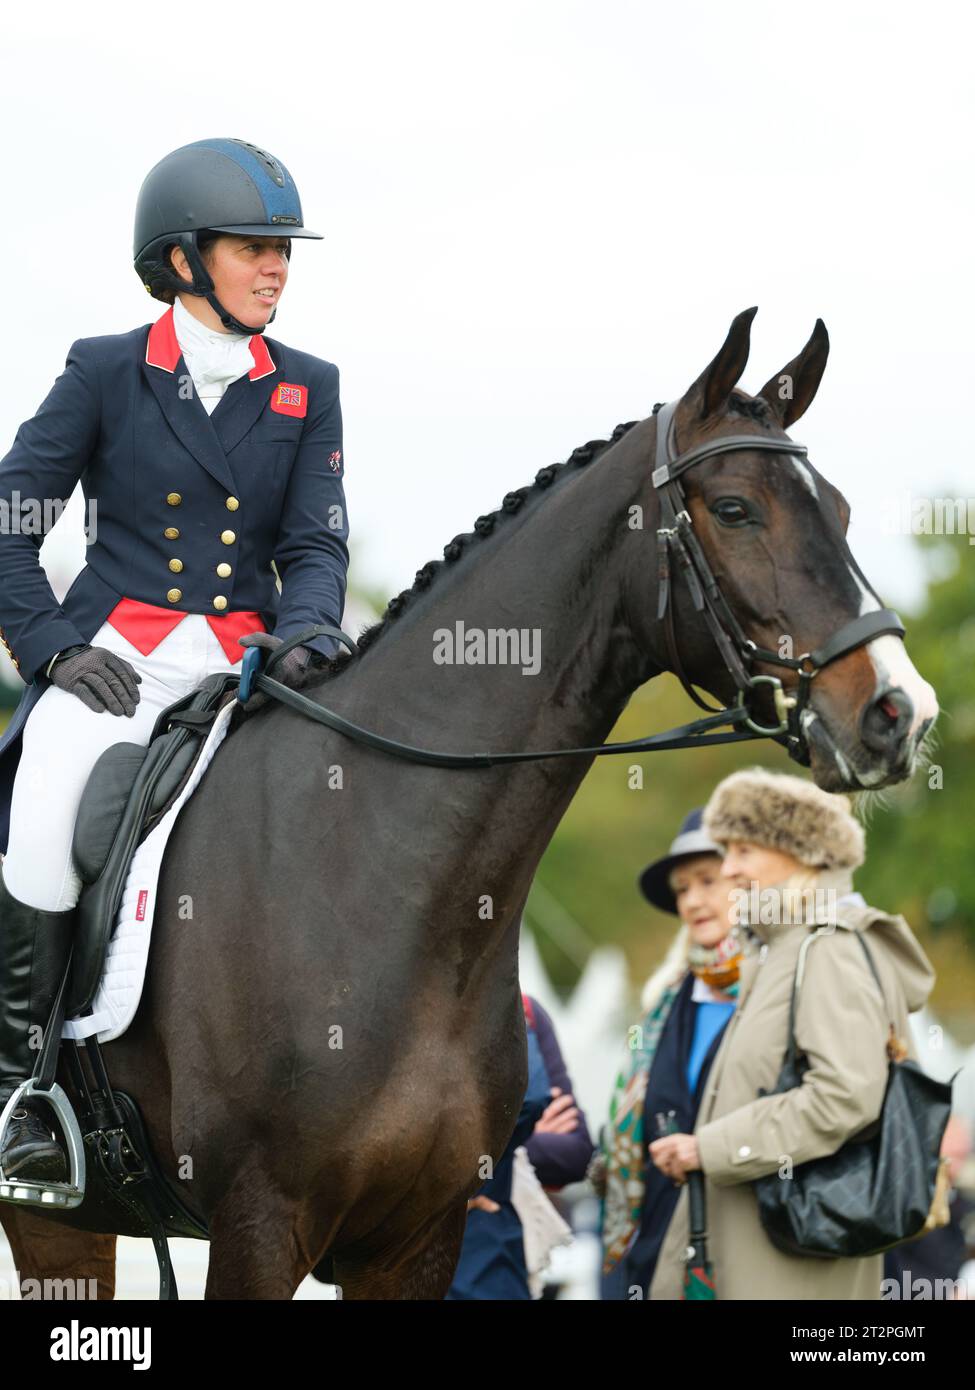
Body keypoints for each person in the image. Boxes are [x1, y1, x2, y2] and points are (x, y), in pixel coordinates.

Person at [0, 138, 349, 1181]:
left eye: (284, 248)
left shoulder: (307, 386)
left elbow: (315, 542)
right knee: (43, 835)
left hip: (245, 668)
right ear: (185, 258)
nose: (278, 266)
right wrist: (54, 649)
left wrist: (312, 630)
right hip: (114, 661)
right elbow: (12, 519)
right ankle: (24, 1090)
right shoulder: (105, 368)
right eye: (255, 247)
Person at [648, 768, 937, 1301]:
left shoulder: (827, 950)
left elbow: (844, 1096)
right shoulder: (780, 952)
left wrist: (708, 1148)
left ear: (803, 852)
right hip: (756, 1252)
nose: (728, 868)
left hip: (793, 1267)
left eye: (743, 850)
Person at [595, 807, 742, 1298]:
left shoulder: (786, 991)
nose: (694, 901)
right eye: (682, 889)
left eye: (707, 880)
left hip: (755, 1256)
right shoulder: (662, 1006)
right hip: (658, 1256)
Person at [446, 993, 592, 1299]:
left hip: (493, 1259)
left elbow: (575, 1154)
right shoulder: (392, 1006)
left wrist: (511, 1147)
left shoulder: (523, 1009)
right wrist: (516, 1141)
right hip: (406, 1255)